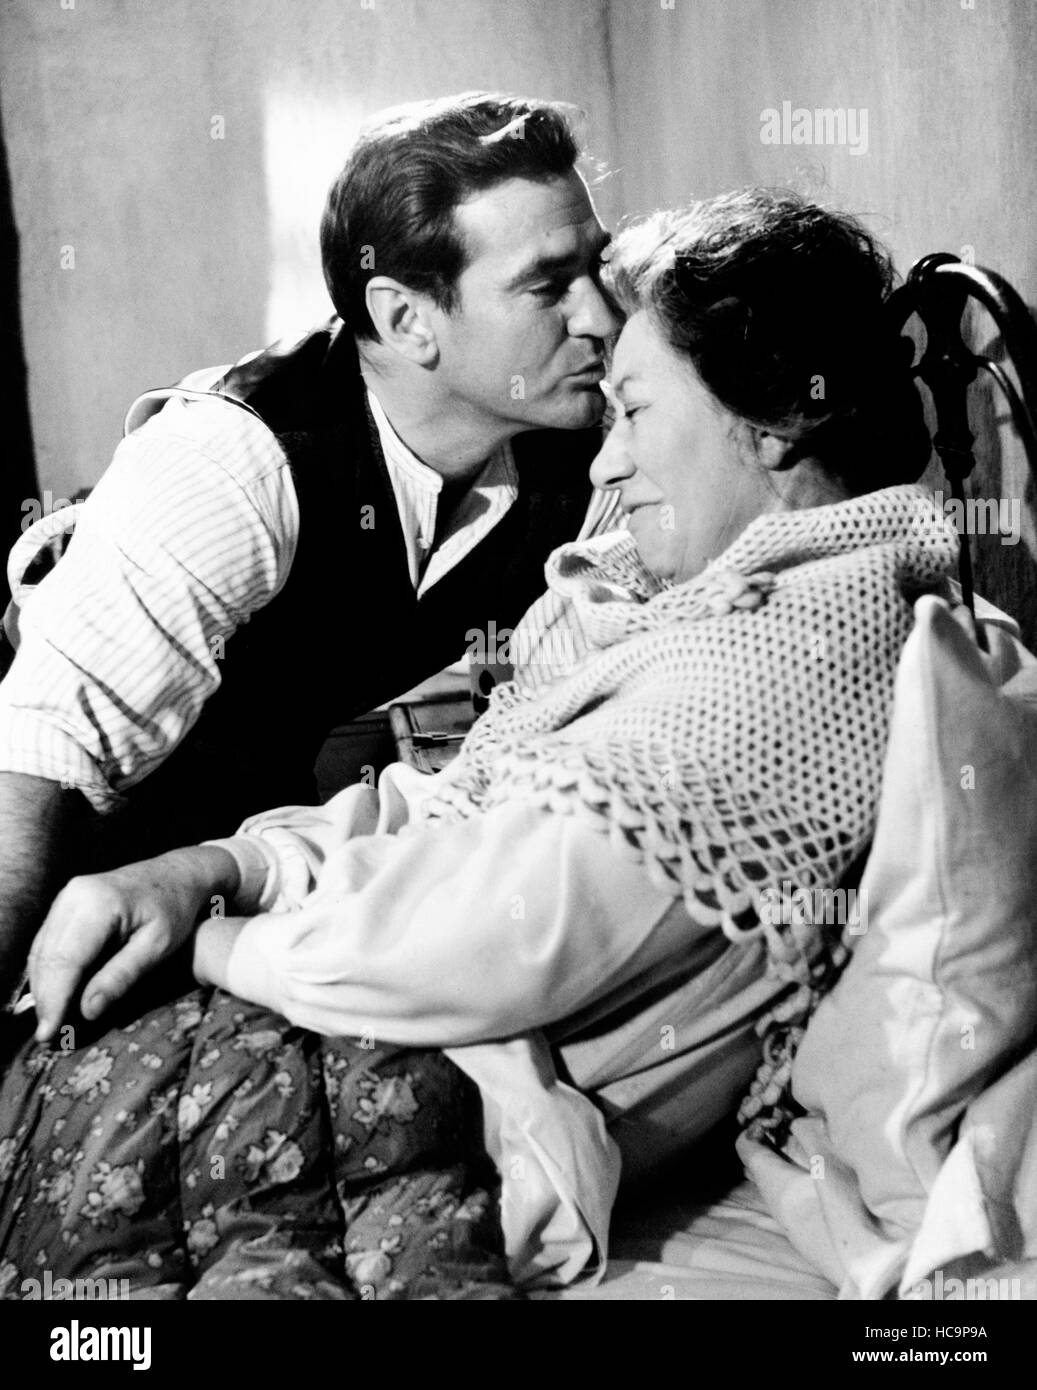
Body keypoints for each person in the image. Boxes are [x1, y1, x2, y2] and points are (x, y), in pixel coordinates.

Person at [2, 189, 959, 1294]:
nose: (603, 467)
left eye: (635, 414)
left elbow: (470, 935)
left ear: (777, 420)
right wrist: (219, 869)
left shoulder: (800, 646)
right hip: (340, 1030)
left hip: (431, 1106)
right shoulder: (666, 602)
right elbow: (456, 802)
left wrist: (208, 939)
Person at [0, 91, 621, 1007]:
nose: (602, 316)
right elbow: (37, 755)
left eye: (598, 269)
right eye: (547, 284)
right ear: (408, 320)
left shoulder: (593, 453)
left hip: (217, 846)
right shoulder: (236, 460)